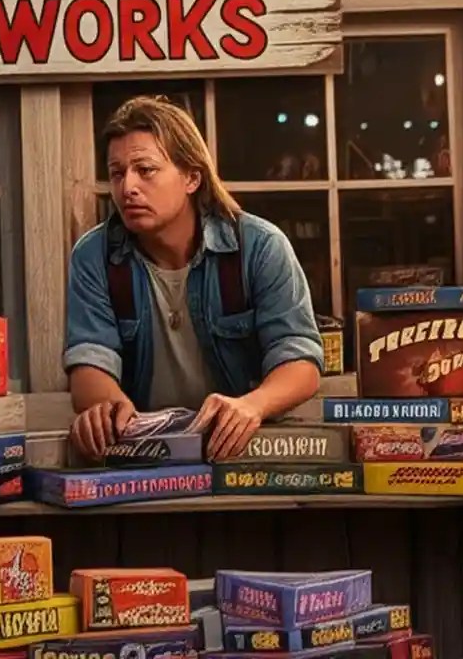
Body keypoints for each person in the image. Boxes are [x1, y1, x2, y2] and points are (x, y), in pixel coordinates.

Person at [63, 95, 324, 462]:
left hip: (240, 452)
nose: (128, 187)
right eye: (117, 173)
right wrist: (108, 408)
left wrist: (253, 405)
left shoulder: (259, 247)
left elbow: (301, 360)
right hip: (143, 456)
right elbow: (89, 361)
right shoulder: (94, 255)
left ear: (191, 177)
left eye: (146, 170)